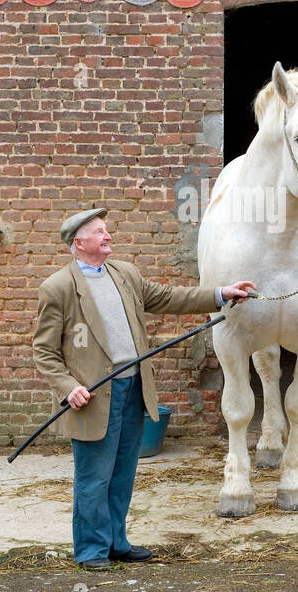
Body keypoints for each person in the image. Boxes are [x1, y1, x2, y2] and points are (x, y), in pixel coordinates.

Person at [32, 207, 257, 569]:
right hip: (93, 399)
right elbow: (44, 351)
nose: (108, 236)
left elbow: (169, 298)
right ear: (79, 242)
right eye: (100, 232)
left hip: (134, 389)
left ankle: (117, 542)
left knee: (122, 472)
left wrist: (220, 294)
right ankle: (91, 550)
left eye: (107, 231)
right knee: (94, 477)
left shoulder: (125, 274)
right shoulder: (58, 288)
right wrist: (68, 386)